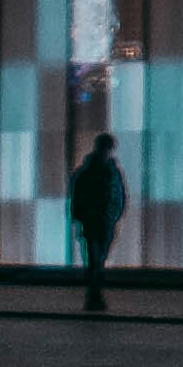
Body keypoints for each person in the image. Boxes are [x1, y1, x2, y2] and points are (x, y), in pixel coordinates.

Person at [64, 133, 128, 312]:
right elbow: (118, 196)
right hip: (95, 223)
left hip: (101, 222)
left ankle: (94, 295)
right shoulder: (104, 172)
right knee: (95, 261)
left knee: (97, 261)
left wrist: (114, 215)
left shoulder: (98, 171)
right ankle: (94, 295)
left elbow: (119, 197)